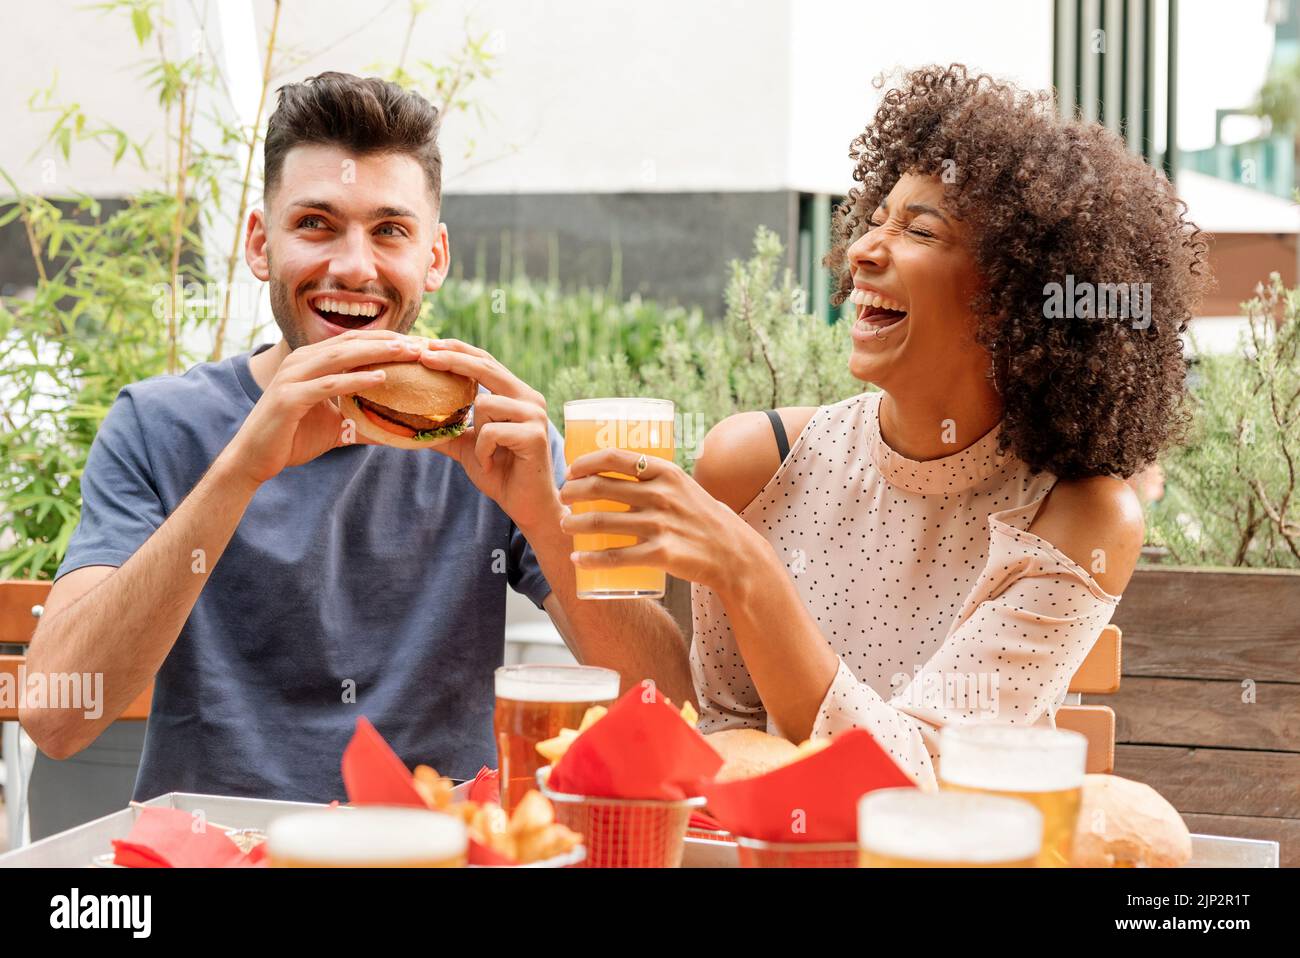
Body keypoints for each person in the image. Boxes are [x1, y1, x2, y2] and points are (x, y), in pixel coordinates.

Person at [20, 72, 690, 803]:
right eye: (315, 223)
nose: (352, 266)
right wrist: (240, 469)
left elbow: (668, 713)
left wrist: (543, 516)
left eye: (389, 231)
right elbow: (57, 718)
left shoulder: (494, 434)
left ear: (432, 259)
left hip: (431, 851)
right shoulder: (158, 424)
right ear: (260, 244)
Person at [560, 64, 1209, 788]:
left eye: (919, 231)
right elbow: (730, 735)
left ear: (1015, 296)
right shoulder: (755, 464)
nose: (864, 252)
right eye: (876, 220)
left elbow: (923, 781)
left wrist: (748, 569)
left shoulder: (1077, 519)